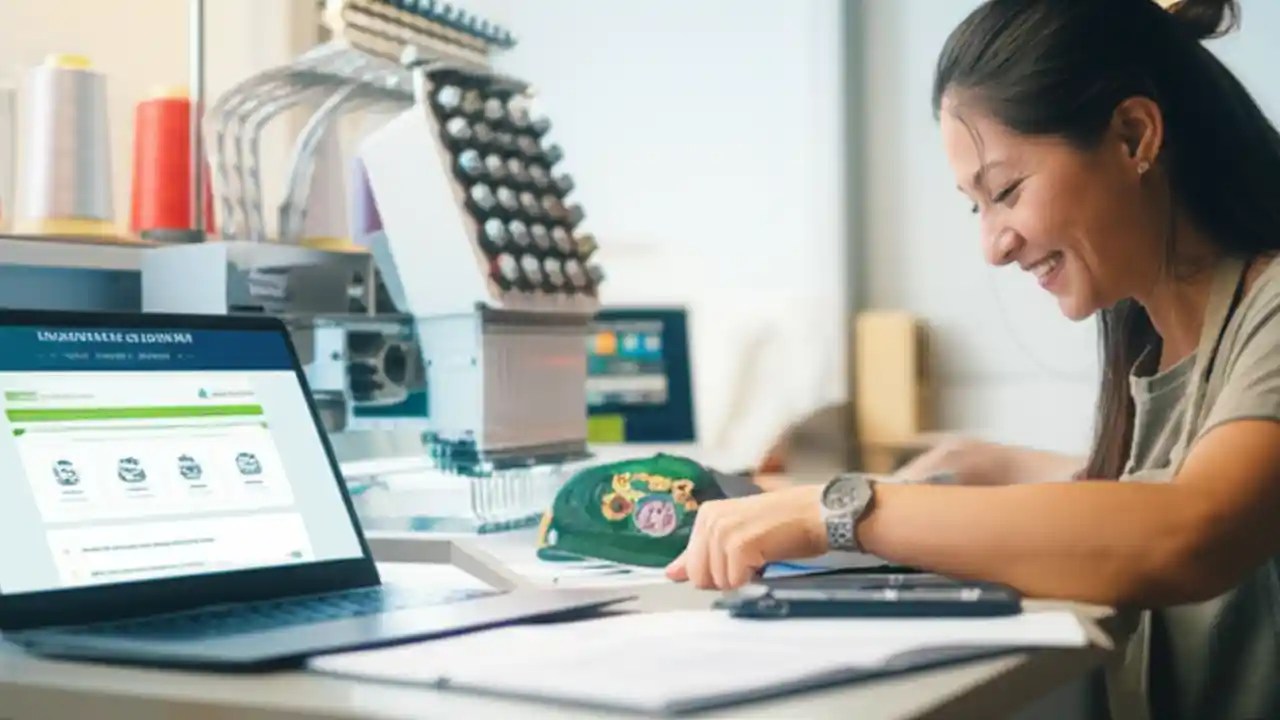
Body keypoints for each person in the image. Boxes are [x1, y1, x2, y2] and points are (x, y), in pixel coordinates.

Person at [663, 1, 1280, 718]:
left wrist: (843, 509)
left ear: (1133, 136)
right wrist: (1002, 464)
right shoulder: (1163, 337)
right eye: (975, 207)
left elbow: (1189, 530)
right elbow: (1168, 480)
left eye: (1007, 192)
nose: (994, 245)